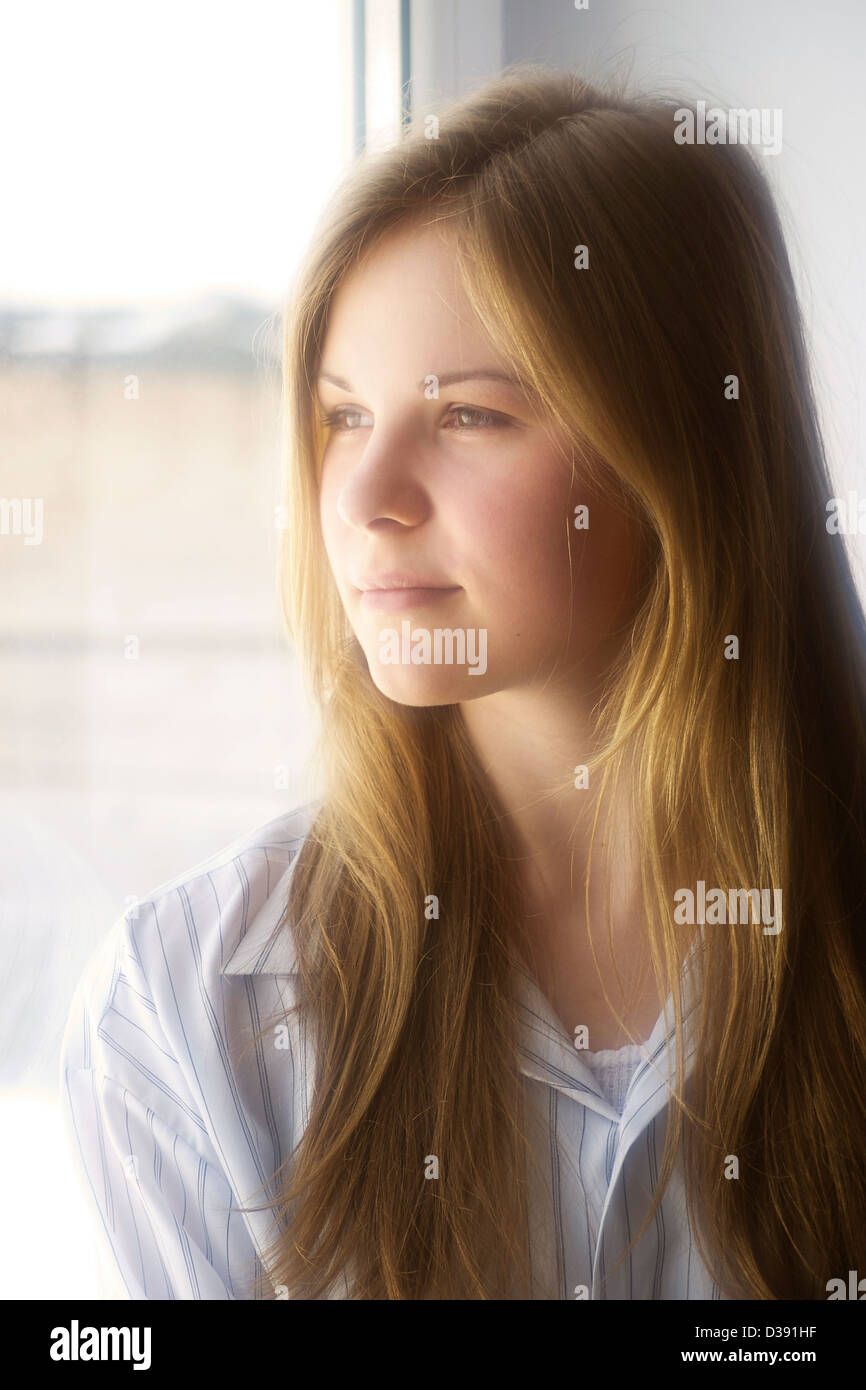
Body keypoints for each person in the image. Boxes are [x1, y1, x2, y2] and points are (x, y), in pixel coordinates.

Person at [60, 64, 866, 1301]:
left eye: (470, 418)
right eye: (341, 418)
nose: (366, 500)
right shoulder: (179, 1014)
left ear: (681, 451)